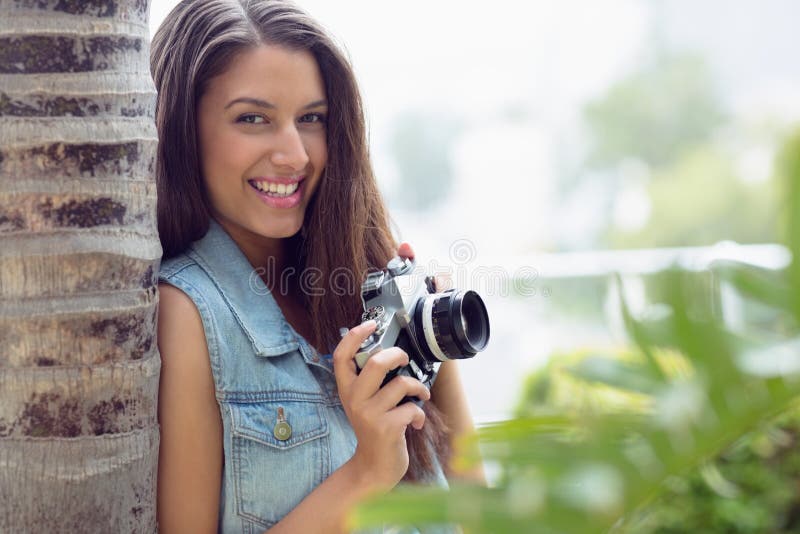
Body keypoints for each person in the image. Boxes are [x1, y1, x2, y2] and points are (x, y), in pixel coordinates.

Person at [151, 1, 484, 532]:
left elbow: (477, 508)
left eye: (311, 119)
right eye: (253, 118)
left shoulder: (370, 277)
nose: (295, 155)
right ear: (183, 129)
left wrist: (432, 345)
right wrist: (366, 473)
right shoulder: (188, 313)